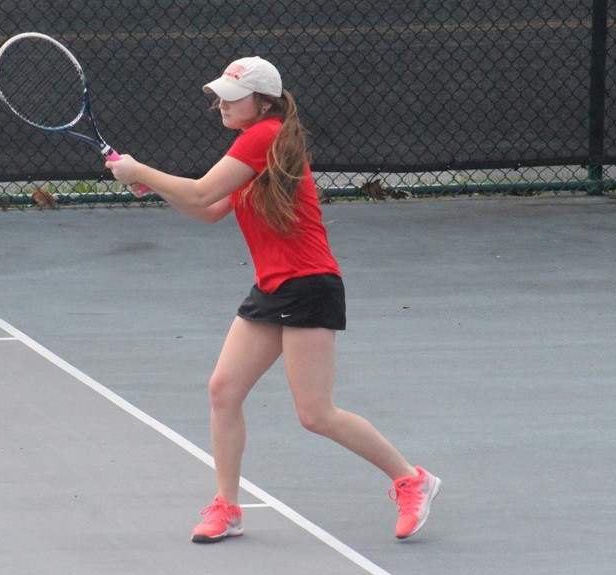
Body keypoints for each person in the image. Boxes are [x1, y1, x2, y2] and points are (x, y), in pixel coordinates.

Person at [105, 56, 440, 543]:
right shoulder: (257, 144)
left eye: (231, 96)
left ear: (262, 102)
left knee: (317, 415)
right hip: (271, 286)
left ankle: (413, 480)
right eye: (218, 95)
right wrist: (152, 186)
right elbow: (210, 210)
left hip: (308, 285)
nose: (220, 103)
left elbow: (199, 194)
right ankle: (228, 507)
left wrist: (143, 171)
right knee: (223, 390)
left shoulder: (263, 136)